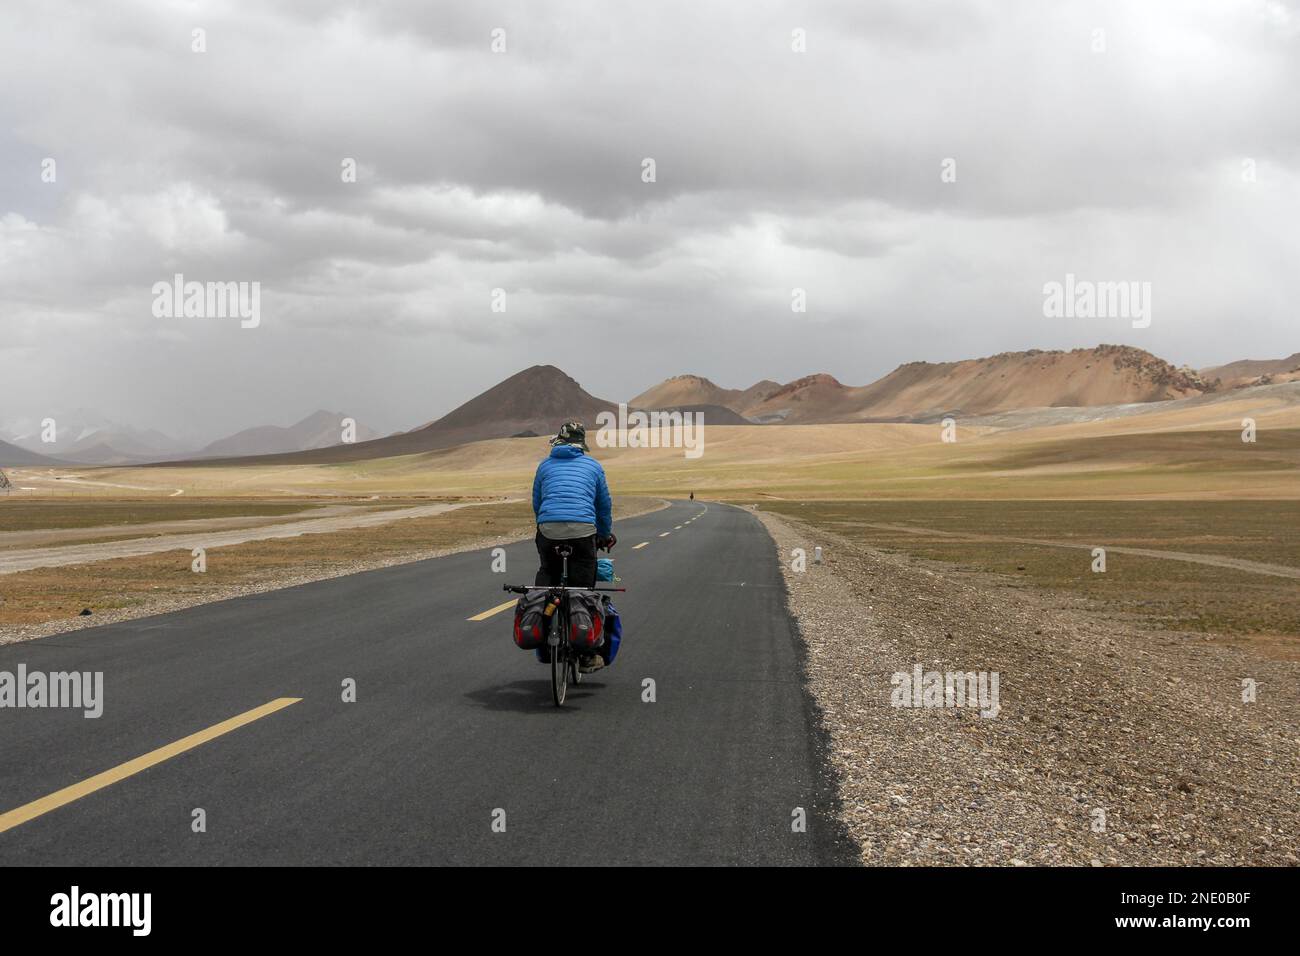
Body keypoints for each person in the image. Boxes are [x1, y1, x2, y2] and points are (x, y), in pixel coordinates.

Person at [532, 421, 616, 671]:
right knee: (583, 588)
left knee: (548, 574)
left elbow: (537, 503)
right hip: (583, 532)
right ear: (581, 445)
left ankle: (545, 635)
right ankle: (588, 654)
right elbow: (603, 505)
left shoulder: (544, 465)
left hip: (549, 529)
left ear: (558, 441)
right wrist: (604, 533)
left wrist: (547, 525)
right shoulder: (593, 466)